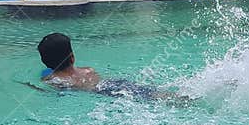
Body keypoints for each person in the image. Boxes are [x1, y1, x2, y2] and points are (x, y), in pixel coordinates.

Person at [37, 33, 172, 101]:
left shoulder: (53, 80)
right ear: (72, 57)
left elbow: (52, 92)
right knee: (150, 93)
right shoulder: (88, 70)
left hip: (104, 93)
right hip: (113, 83)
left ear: (44, 61)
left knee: (147, 98)